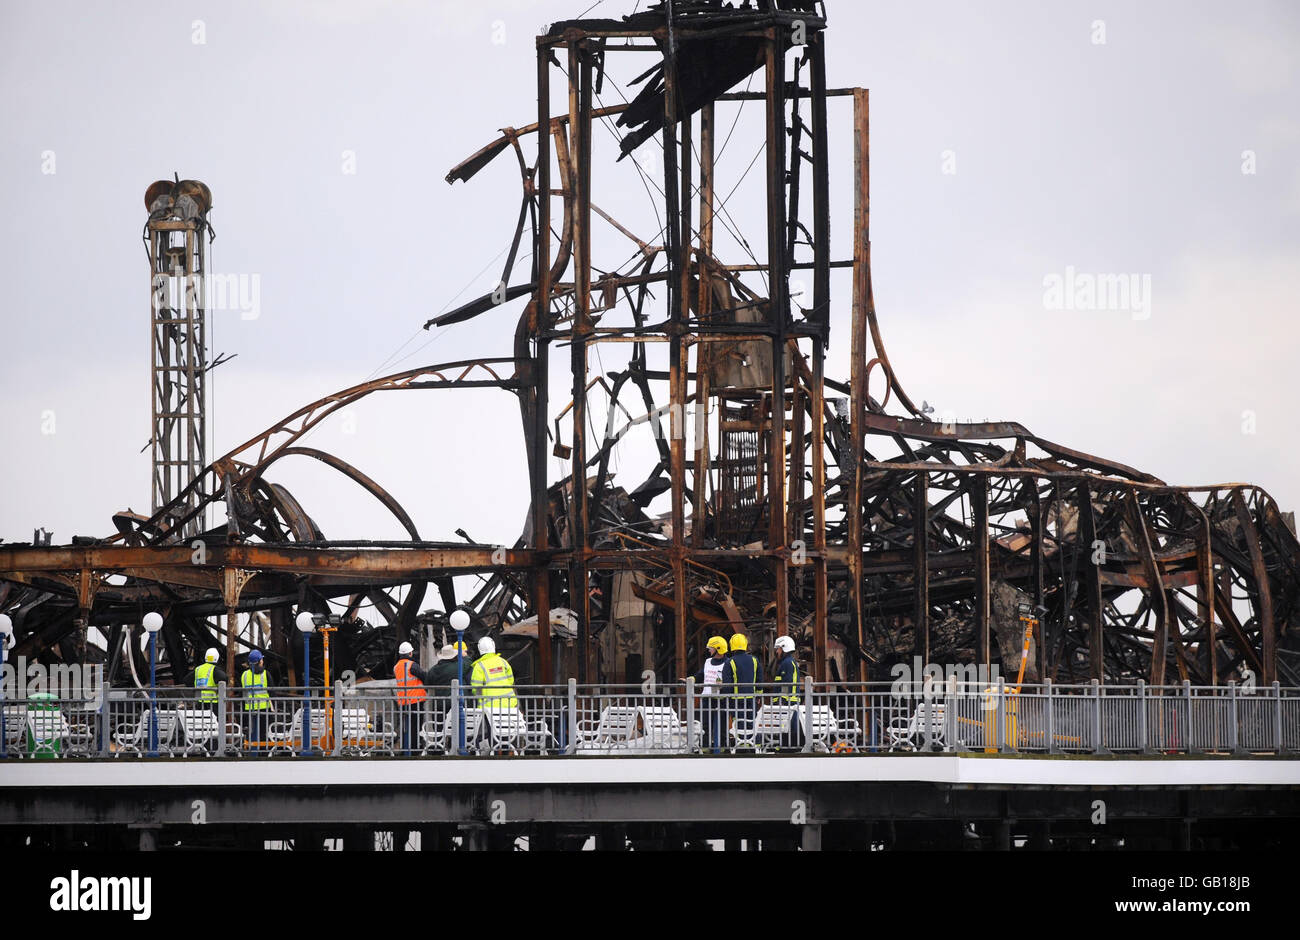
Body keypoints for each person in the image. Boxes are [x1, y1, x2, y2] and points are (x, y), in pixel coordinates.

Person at [722, 633, 762, 740]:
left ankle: (741, 747)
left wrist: (727, 699)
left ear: (732, 646)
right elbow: (759, 681)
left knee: (739, 725)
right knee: (751, 723)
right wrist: (758, 697)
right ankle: (753, 746)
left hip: (736, 702)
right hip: (751, 700)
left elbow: (727, 685)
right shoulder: (755, 660)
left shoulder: (729, 662)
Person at [693, 636, 729, 752]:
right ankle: (705, 747)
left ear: (718, 649)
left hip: (721, 698)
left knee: (722, 724)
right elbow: (700, 675)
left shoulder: (728, 663)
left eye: (711, 648)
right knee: (705, 724)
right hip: (706, 697)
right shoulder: (708, 661)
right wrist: (691, 679)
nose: (709, 650)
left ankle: (723, 747)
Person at [393, 641, 429, 756]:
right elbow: (424, 676)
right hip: (415, 700)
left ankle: (405, 748)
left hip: (403, 701)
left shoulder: (396, 667)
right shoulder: (412, 665)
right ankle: (414, 749)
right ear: (410, 653)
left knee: (405, 726)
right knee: (415, 726)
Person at [772, 635, 804, 750]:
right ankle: (789, 746)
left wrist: (781, 700)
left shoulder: (787, 663)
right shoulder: (789, 662)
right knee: (788, 725)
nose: (777, 652)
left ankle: (789, 747)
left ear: (784, 648)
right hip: (790, 701)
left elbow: (786, 684)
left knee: (788, 726)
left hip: (788, 702)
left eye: (779, 649)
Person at [469, 636, 517, 713]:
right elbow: (511, 681)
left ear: (479, 649)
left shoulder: (479, 666)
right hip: (509, 704)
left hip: (489, 708)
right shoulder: (503, 662)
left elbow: (476, 688)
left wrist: (481, 698)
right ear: (493, 646)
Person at [240, 650, 271, 749]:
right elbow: (272, 691)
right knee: (263, 732)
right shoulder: (265, 674)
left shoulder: (244, 675)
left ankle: (251, 750)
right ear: (260, 661)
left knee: (251, 731)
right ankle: (262, 751)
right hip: (264, 708)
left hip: (249, 708)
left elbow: (242, 692)